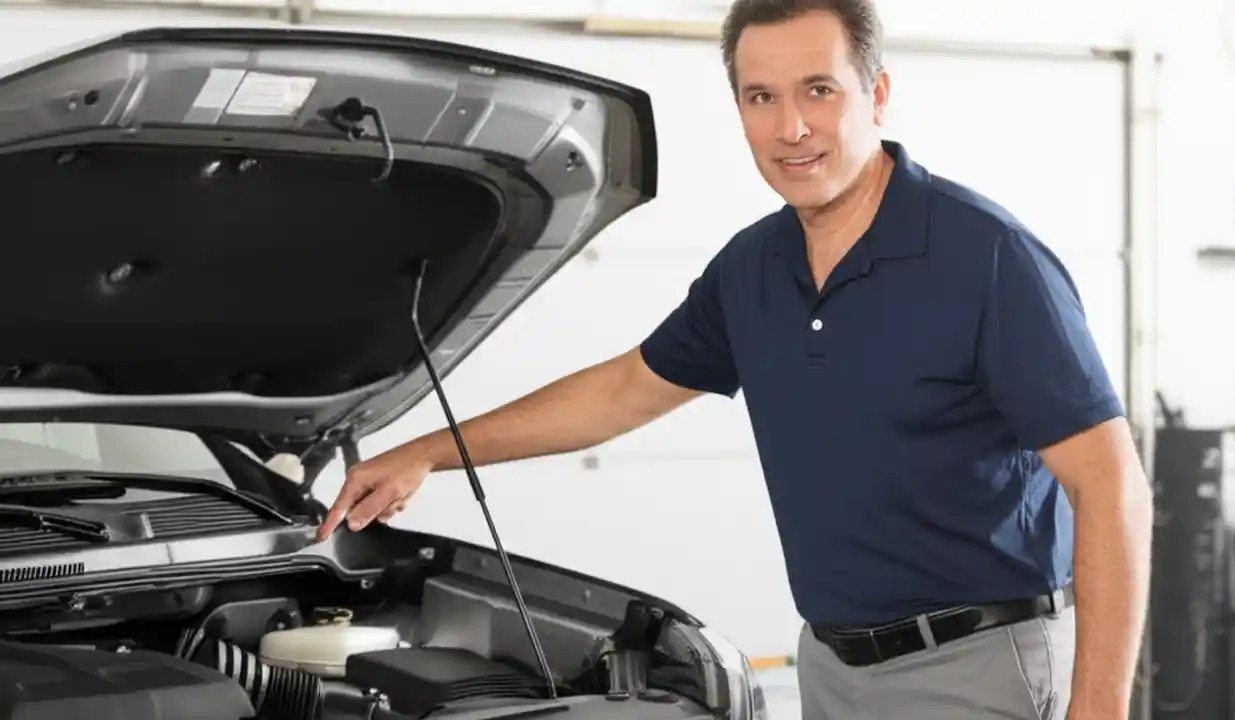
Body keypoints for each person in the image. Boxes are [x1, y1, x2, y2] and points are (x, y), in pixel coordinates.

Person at [316, 1, 1153, 717]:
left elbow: (1110, 485)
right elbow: (620, 390)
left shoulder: (986, 258)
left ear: (878, 94)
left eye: (818, 91)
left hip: (980, 667)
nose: (790, 127)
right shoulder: (753, 269)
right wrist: (427, 450)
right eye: (762, 97)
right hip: (829, 669)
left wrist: (1099, 708)